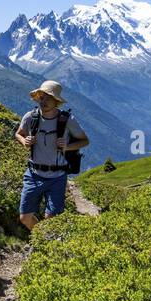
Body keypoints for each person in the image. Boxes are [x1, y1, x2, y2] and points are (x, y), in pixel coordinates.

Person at [15, 80, 89, 230]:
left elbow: (84, 141)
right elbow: (18, 134)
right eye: (42, 97)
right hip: (33, 174)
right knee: (24, 218)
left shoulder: (67, 120)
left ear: (56, 101)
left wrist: (67, 147)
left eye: (48, 98)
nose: (44, 101)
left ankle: (43, 243)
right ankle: (42, 237)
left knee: (51, 219)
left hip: (57, 176)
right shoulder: (30, 117)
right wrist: (24, 141)